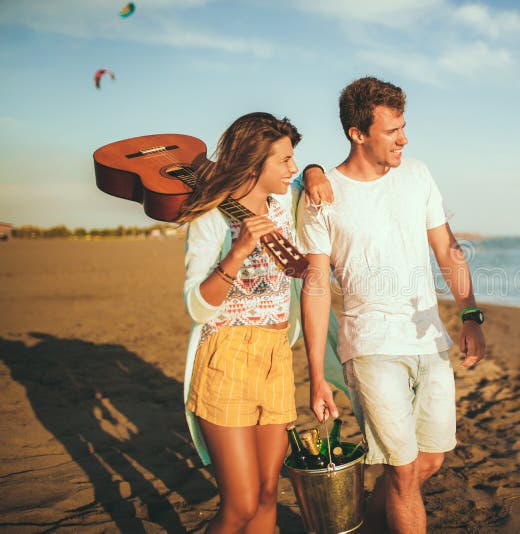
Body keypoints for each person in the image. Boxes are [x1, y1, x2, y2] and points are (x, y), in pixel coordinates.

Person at [297, 76, 487, 533]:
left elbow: (446, 247)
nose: (404, 138)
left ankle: (360, 518)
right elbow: (317, 284)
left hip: (428, 341)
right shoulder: (321, 197)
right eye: (392, 131)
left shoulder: (417, 173)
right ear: (357, 134)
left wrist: (470, 312)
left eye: (404, 126)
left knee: (431, 459)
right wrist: (318, 376)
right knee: (403, 472)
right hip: (370, 346)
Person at [178, 112, 335, 534]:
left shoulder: (282, 200)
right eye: (283, 160)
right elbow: (195, 304)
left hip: (275, 355)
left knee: (268, 494)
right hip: (226, 356)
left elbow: (310, 179)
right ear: (254, 166)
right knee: (241, 505)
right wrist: (238, 251)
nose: (293, 168)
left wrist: (317, 171)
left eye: (293, 157)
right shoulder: (212, 216)